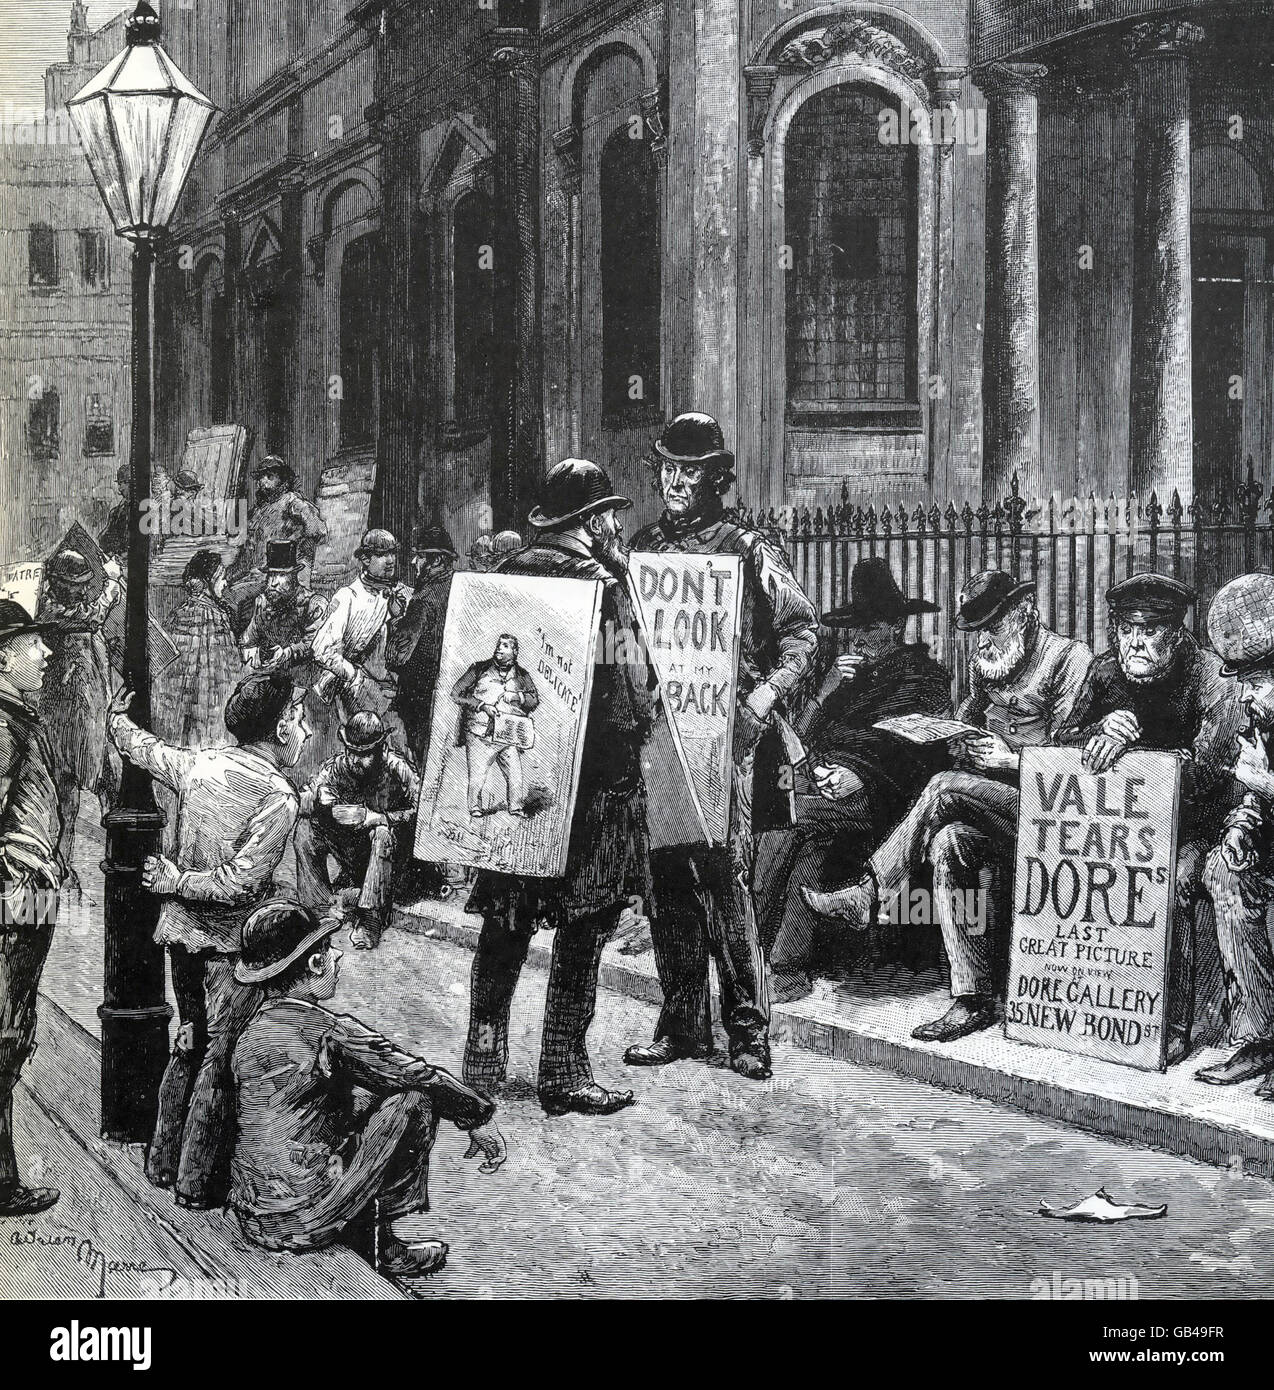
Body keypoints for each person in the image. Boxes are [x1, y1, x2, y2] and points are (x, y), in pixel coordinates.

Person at [804, 570, 1093, 1043]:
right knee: (948, 841)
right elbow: (962, 723)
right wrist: (956, 743)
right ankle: (971, 998)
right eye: (977, 631)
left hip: (1052, 808)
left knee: (940, 788)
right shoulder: (990, 663)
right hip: (996, 804)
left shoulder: (1068, 659)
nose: (982, 641)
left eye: (992, 628)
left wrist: (1011, 759)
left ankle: (868, 891)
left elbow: (1080, 761)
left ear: (1025, 617)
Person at [623, 413, 819, 1080]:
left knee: (724, 883)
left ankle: (748, 1031)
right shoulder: (641, 548)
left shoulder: (748, 548)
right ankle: (681, 1024)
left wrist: (762, 701)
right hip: (659, 738)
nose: (678, 481)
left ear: (716, 477)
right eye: (670, 468)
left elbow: (802, 637)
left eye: (692, 470)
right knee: (664, 882)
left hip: (727, 741)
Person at [463, 459, 656, 1117]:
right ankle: (562, 1071)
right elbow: (634, 698)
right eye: (609, 516)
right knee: (582, 928)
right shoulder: (608, 586)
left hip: (518, 780)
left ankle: (481, 1064)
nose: (614, 526)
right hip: (597, 791)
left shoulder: (503, 580)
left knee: (504, 921)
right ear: (595, 521)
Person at [107, 672, 309, 1208]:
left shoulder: (201, 765)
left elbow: (143, 748)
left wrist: (114, 719)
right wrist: (179, 881)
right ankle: (197, 1183)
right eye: (298, 717)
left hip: (180, 935)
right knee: (220, 1055)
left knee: (189, 1038)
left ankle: (162, 1160)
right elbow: (239, 882)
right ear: (278, 728)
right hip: (229, 946)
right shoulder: (279, 797)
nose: (304, 729)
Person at [229, 901, 505, 1274]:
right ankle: (383, 1246)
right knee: (413, 1101)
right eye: (328, 950)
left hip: (255, 1214)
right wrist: (478, 1117)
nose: (337, 956)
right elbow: (412, 1073)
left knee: (368, 1096)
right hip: (303, 1219)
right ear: (314, 965)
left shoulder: (250, 1034)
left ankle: (354, 1222)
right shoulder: (330, 1032)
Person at [1056, 573, 1245, 1063]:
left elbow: (1210, 770)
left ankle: (1172, 1024)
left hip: (1197, 822)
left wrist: (1134, 752)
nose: (1134, 641)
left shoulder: (1209, 676)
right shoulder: (1103, 672)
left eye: (1150, 630)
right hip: (1121, 827)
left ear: (1176, 633)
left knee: (1178, 879)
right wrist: (1096, 730)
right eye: (1125, 630)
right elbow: (1060, 744)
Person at [752, 559, 952, 1002]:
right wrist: (828, 689)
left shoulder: (924, 676)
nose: (858, 637)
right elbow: (800, 737)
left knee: (787, 813)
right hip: (824, 786)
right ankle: (782, 962)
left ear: (897, 625)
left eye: (870, 626)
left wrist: (859, 774)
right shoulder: (845, 679)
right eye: (854, 627)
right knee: (794, 823)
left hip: (885, 796)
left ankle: (757, 950)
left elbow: (913, 748)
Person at [0, 600, 63, 1216]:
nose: (44, 653)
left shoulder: (18, 718)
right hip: (14, 910)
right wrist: (25, 859)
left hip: (28, 905)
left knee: (13, 1038)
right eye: (30, 644)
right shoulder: (2, 725)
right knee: (7, 1036)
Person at [1201, 572, 1274, 1094]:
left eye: (1258, 681)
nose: (1248, 694)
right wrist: (1241, 825)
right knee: (1222, 870)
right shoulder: (1255, 715)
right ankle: (1259, 1037)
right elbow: (1251, 793)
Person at [296, 712, 420, 950]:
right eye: (350, 751)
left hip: (394, 863)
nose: (354, 759)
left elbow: (421, 813)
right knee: (305, 828)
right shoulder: (336, 768)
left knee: (382, 832)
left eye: (363, 754)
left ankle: (370, 920)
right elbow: (300, 802)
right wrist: (316, 799)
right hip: (354, 855)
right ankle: (319, 909)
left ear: (380, 749)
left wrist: (381, 818)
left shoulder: (397, 769)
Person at [36, 548, 122, 891]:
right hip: (67, 717)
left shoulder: (69, 608)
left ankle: (103, 860)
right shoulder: (51, 611)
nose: (84, 591)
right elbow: (92, 619)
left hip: (90, 714)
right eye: (77, 585)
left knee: (103, 786)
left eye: (86, 584)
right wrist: (112, 583)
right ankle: (61, 864)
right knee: (67, 795)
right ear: (59, 585)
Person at [311, 528, 411, 753]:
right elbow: (321, 649)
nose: (391, 560)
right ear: (365, 559)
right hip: (356, 696)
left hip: (391, 694)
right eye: (382, 554)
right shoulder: (347, 597)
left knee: (399, 754)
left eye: (393, 553)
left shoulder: (402, 594)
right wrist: (354, 677)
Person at [153, 549, 241, 752]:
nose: (225, 583)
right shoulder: (217, 617)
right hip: (211, 714)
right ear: (209, 581)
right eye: (221, 578)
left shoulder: (178, 615)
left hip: (178, 715)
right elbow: (230, 675)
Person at [224, 457, 326, 628]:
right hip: (257, 574)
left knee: (234, 598)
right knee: (228, 597)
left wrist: (294, 546)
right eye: (261, 478)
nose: (263, 482)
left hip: (281, 576)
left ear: (282, 479)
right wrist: (229, 575)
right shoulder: (258, 510)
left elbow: (318, 530)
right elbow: (249, 550)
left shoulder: (292, 502)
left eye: (269, 477)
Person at [386, 525, 457, 768]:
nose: (414, 561)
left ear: (436, 559)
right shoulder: (457, 585)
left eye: (420, 556)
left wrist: (396, 618)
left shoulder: (423, 600)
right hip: (447, 689)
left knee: (420, 759)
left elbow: (396, 657)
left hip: (421, 695)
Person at [451, 635, 540, 819]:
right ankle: (475, 806)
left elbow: (533, 700)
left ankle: (515, 807)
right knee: (477, 775)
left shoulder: (522, 675)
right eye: (499, 644)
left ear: (514, 652)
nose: (499, 648)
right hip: (479, 732)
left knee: (515, 775)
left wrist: (518, 697)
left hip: (507, 733)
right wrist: (482, 706)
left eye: (505, 646)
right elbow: (456, 693)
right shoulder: (479, 668)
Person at [97, 463, 131, 558]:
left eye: (121, 484)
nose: (119, 489)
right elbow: (103, 536)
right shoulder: (117, 510)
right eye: (119, 484)